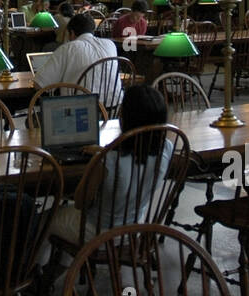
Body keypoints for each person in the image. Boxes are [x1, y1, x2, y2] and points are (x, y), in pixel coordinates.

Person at [42, 85, 178, 251]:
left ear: (124, 119)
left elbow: (80, 202)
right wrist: (103, 152)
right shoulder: (166, 149)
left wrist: (96, 161)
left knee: (44, 218)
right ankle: (67, 263)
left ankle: (35, 270)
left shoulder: (108, 161)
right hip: (134, 228)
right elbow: (135, 157)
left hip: (98, 232)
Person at [34, 13, 121, 108]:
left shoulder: (68, 48)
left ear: (71, 33)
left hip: (81, 113)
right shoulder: (110, 44)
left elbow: (39, 85)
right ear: (93, 30)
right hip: (113, 109)